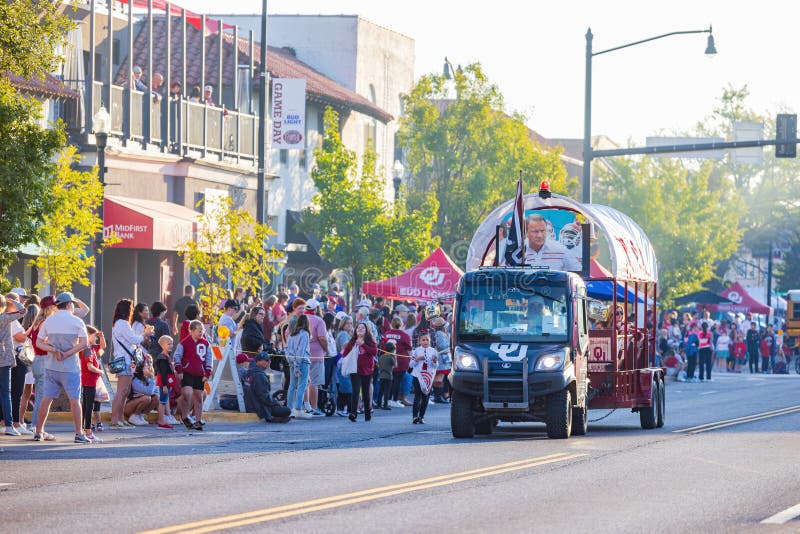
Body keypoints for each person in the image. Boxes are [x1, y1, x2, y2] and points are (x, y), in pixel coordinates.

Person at [33, 292, 91, 443]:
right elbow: (84, 343)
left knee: (46, 399)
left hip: (51, 366)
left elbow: (39, 343)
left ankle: (39, 432)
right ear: (70, 304)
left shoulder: (49, 321)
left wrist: (54, 350)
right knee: (75, 400)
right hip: (70, 367)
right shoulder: (77, 321)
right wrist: (67, 353)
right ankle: (79, 434)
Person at [111, 298, 153, 428]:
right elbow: (134, 339)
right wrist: (145, 334)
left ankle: (119, 419)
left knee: (124, 391)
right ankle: (115, 420)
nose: (132, 311)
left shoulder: (120, 323)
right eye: (131, 308)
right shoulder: (122, 323)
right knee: (122, 391)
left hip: (126, 360)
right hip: (125, 360)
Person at [175, 320, 211, 430]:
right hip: (187, 372)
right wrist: (179, 370)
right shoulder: (184, 343)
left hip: (199, 374)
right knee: (187, 393)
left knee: (198, 397)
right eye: (199, 331)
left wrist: (207, 372)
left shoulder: (205, 343)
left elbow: (209, 358)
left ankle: (198, 419)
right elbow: (177, 356)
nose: (201, 333)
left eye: (202, 330)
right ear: (192, 331)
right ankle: (185, 416)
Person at [27, 297, 56, 428]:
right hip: (43, 359)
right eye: (54, 306)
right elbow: (44, 342)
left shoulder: (36, 322)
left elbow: (29, 337)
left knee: (40, 395)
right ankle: (36, 425)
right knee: (41, 397)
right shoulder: (45, 322)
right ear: (49, 308)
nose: (56, 308)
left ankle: (36, 425)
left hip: (37, 360)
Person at [342, 322, 378, 422]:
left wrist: (363, 345)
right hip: (355, 370)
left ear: (367, 330)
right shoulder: (352, 341)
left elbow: (374, 352)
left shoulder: (370, 341)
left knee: (366, 393)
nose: (360, 329)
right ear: (355, 330)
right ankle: (353, 413)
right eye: (358, 328)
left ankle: (367, 412)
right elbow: (345, 354)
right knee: (355, 391)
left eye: (362, 328)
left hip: (367, 370)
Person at [0, 294, 25, 435]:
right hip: (4, 358)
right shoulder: (5, 318)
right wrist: (13, 301)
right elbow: (23, 311)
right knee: (5, 393)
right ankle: (9, 425)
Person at [243, 352, 292, 422]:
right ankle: (272, 417)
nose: (269, 362)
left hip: (250, 403)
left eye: (269, 360)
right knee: (287, 410)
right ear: (259, 361)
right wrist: (276, 402)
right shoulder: (259, 376)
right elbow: (264, 397)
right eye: (266, 360)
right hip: (258, 407)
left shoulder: (250, 371)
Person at [79, 325, 105, 443]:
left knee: (86, 406)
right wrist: (100, 371)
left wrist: (102, 336)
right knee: (88, 407)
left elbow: (103, 347)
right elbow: (90, 367)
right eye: (95, 336)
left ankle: (85, 430)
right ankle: (88, 431)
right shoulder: (87, 349)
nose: (96, 339)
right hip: (89, 380)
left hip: (90, 381)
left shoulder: (91, 347)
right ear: (88, 336)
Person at [304, 299, 329, 416]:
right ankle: (314, 408)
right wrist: (327, 349)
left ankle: (305, 406)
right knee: (314, 383)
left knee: (304, 383)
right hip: (316, 355)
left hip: (302, 354)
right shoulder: (319, 321)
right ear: (316, 309)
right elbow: (322, 338)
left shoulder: (301, 319)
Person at [285, 314, 312, 420]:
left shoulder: (292, 335)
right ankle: (298, 409)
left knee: (292, 386)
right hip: (303, 362)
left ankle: (289, 409)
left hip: (292, 362)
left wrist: (292, 360)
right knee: (302, 385)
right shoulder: (305, 334)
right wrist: (297, 366)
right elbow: (301, 350)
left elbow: (286, 349)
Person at [409, 332, 438, 424]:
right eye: (423, 340)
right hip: (418, 375)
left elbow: (435, 366)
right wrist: (417, 360)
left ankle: (421, 416)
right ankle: (415, 416)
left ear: (430, 341)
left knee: (425, 397)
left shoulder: (433, 351)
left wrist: (434, 361)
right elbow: (410, 364)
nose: (425, 341)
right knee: (417, 396)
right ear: (419, 341)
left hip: (428, 376)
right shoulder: (416, 351)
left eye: (427, 340)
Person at [383, 317, 412, 408]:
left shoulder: (386, 334)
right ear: (401, 324)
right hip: (401, 360)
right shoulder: (405, 335)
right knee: (397, 381)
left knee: (389, 381)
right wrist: (411, 359)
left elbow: (383, 346)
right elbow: (409, 350)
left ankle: (388, 399)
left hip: (387, 359)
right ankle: (395, 399)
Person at [125, 356, 158, 426]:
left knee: (156, 398)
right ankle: (134, 416)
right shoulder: (135, 378)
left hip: (137, 403)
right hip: (128, 407)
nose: (149, 365)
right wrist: (152, 378)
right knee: (147, 398)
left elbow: (156, 392)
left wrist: (151, 378)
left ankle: (140, 416)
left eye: (151, 363)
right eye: (147, 363)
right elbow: (149, 392)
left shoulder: (147, 377)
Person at [154, 335, 177, 429]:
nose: (171, 345)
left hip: (167, 383)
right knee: (162, 401)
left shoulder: (167, 356)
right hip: (164, 383)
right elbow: (163, 373)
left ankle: (162, 420)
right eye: (169, 344)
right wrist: (164, 385)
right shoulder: (163, 358)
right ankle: (161, 421)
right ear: (162, 345)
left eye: (172, 343)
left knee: (164, 401)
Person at [377, 341, 396, 410]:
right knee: (387, 391)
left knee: (381, 390)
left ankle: (378, 404)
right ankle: (385, 405)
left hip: (382, 376)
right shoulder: (391, 358)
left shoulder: (381, 357)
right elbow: (395, 365)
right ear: (393, 350)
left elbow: (378, 365)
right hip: (389, 376)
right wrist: (395, 357)